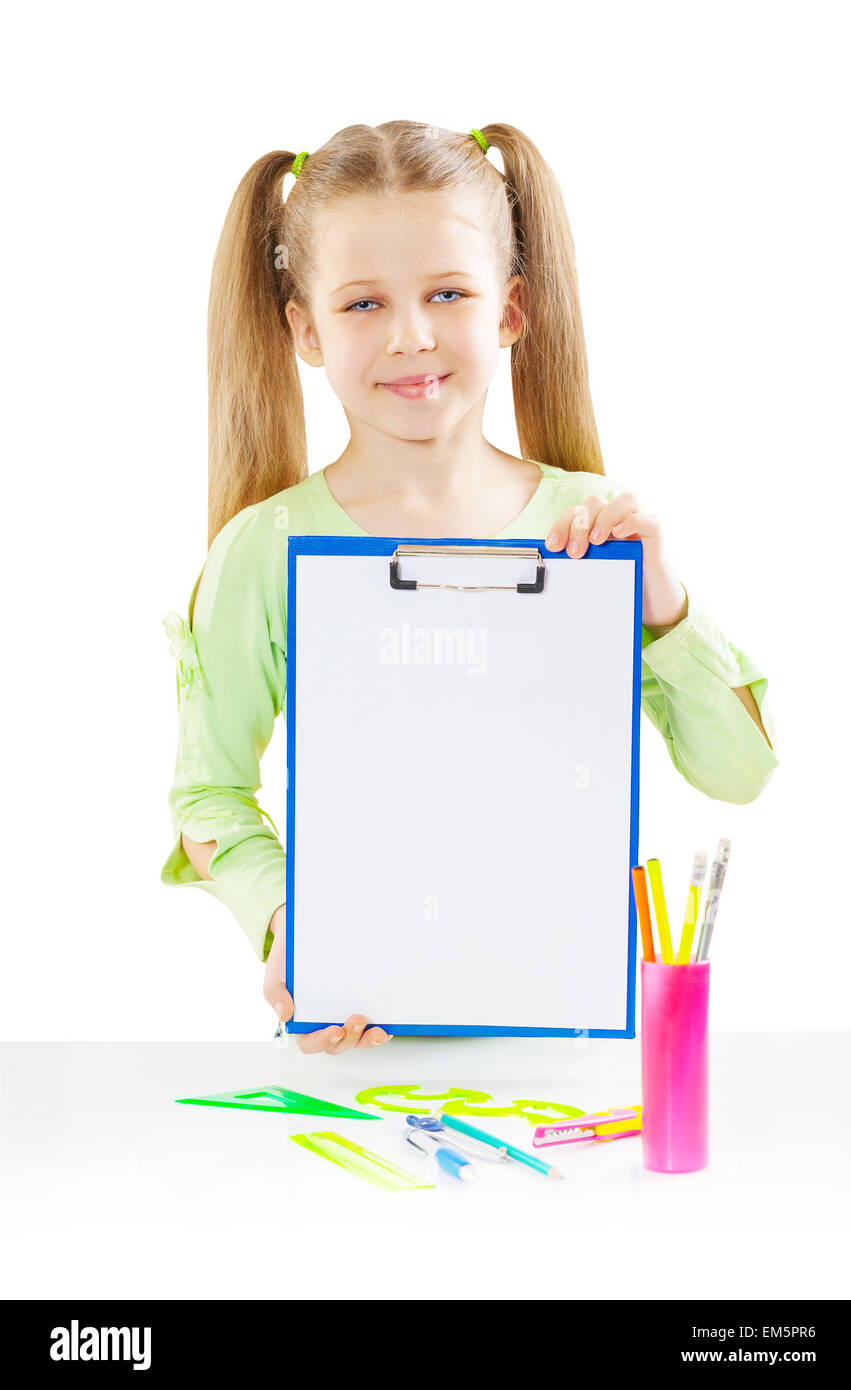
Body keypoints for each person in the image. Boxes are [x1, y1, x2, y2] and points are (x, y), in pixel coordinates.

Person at [160, 121, 779, 1056]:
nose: (411, 335)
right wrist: (294, 926)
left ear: (510, 310)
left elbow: (740, 773)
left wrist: (664, 607)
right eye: (363, 303)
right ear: (305, 330)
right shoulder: (264, 550)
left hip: (568, 1053)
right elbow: (207, 796)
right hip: (361, 1037)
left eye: (448, 292)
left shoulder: (595, 531)